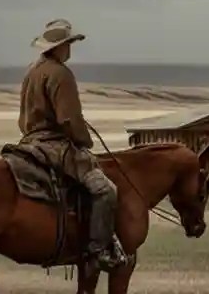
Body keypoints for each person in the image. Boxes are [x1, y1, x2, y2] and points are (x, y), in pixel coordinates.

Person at [18, 18, 128, 272]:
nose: (70, 49)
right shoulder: (60, 74)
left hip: (28, 142)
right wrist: (84, 141)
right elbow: (68, 120)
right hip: (54, 146)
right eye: (68, 44)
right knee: (106, 190)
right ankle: (99, 250)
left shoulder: (32, 71)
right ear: (58, 47)